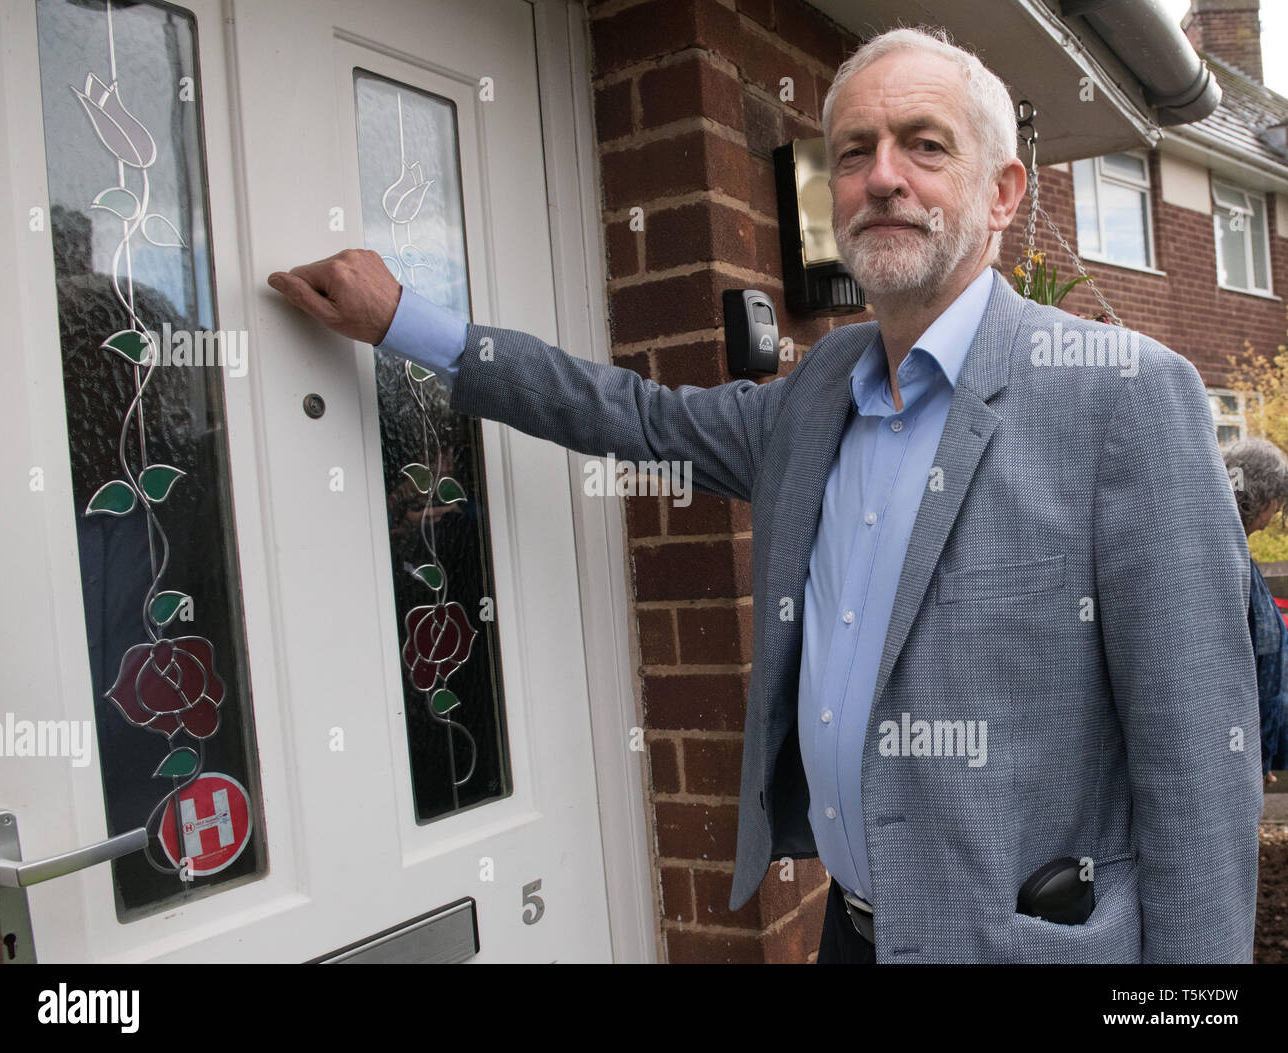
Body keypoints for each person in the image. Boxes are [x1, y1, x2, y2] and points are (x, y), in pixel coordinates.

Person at [267, 26, 1261, 963]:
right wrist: (410, 322)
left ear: (1003, 193)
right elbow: (630, 416)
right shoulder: (814, 401)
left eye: (923, 145)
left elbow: (1199, 775)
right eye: (855, 150)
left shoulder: (1122, 399)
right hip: (853, 930)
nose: (881, 177)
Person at [1224, 438, 1288, 788]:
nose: (1272, 518)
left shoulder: (1238, 557)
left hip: (1247, 752)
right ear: (1259, 496)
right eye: (1274, 505)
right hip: (1235, 757)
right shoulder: (1229, 564)